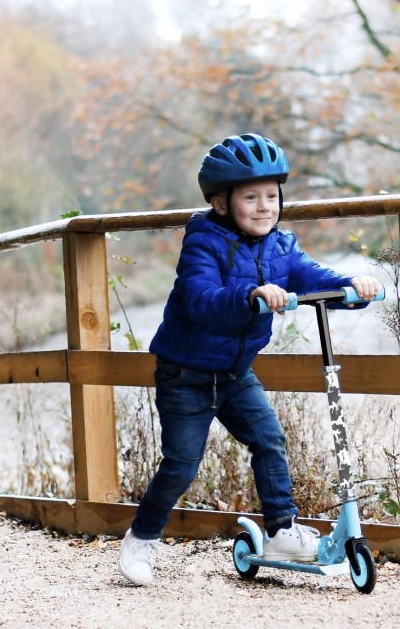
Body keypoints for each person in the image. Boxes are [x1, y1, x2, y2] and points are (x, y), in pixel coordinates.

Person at [118, 133, 380, 586]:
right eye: (251, 197)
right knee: (182, 462)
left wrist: (353, 287)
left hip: (236, 374)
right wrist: (251, 294)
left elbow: (313, 277)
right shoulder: (203, 242)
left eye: (272, 196)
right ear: (222, 205)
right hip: (186, 374)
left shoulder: (281, 247)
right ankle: (141, 539)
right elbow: (202, 299)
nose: (264, 207)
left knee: (270, 441)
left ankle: (280, 530)